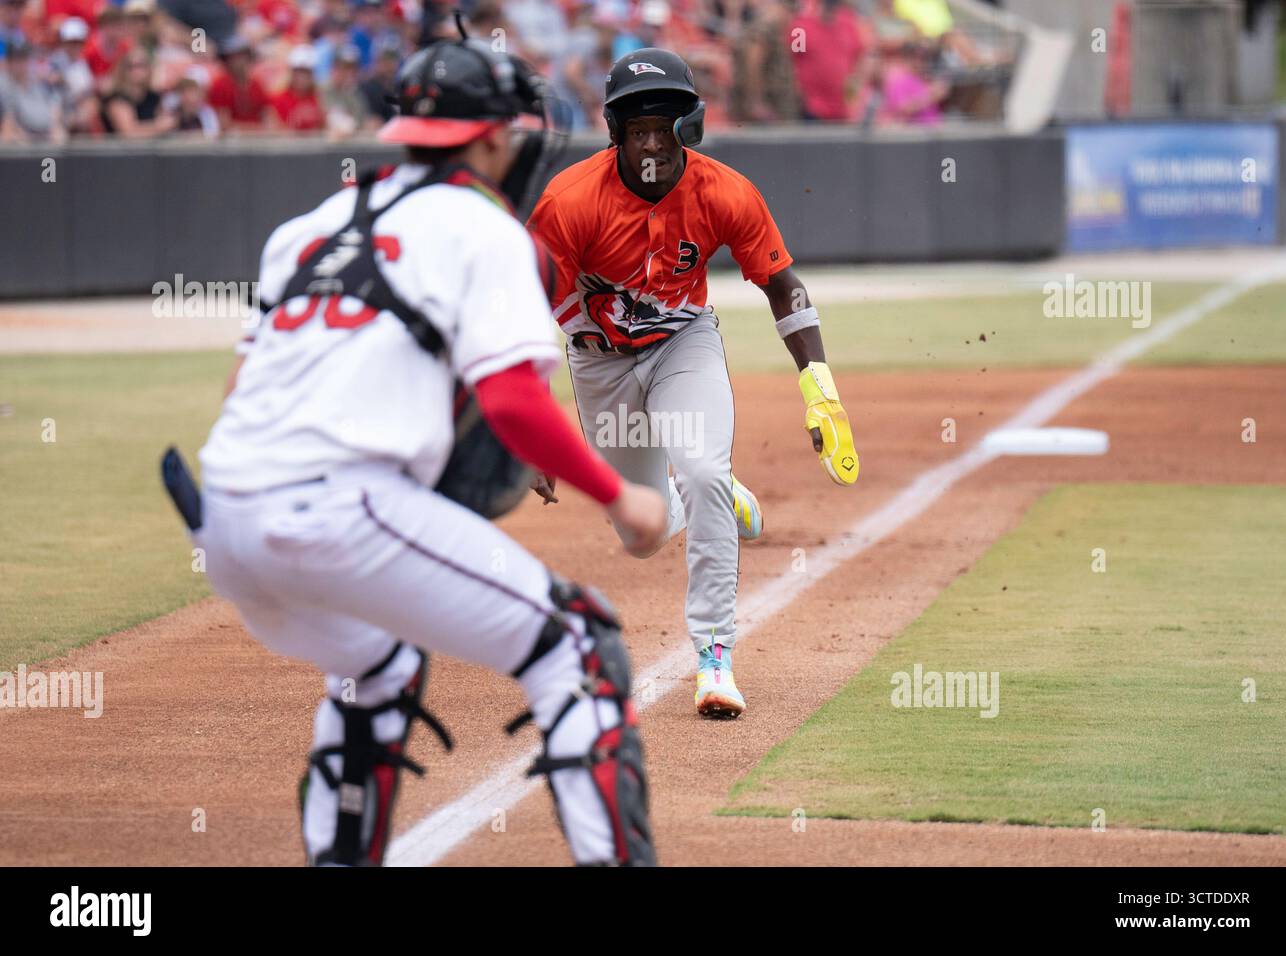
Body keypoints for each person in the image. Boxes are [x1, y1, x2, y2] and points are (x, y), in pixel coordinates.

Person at [193, 35, 662, 867]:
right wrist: (620, 498)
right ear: (487, 139)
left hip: (223, 518)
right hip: (341, 509)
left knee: (376, 664)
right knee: (580, 646)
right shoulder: (483, 230)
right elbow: (513, 401)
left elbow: (240, 395)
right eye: (510, 133)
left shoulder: (304, 229)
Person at [527, 48, 859, 719]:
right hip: (599, 361)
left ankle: (715, 658)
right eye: (637, 127)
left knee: (703, 470)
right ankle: (701, 490)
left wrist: (817, 384)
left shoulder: (725, 192)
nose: (652, 141)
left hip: (684, 344)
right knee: (640, 535)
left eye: (665, 124)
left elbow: (781, 283)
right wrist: (530, 432)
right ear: (614, 132)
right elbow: (523, 312)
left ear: (690, 126)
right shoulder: (569, 203)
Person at [0, 40, 65, 143]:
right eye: (17, 59)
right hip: (21, 143)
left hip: (45, 137)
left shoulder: (36, 81)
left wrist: (55, 125)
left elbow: (54, 104)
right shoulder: (4, 85)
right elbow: (8, 124)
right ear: (8, 62)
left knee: (61, 136)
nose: (21, 64)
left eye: (24, 59)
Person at [272, 43, 325, 131]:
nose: (302, 77)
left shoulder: (318, 98)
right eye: (298, 72)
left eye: (306, 72)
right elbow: (273, 130)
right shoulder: (279, 99)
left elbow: (324, 126)